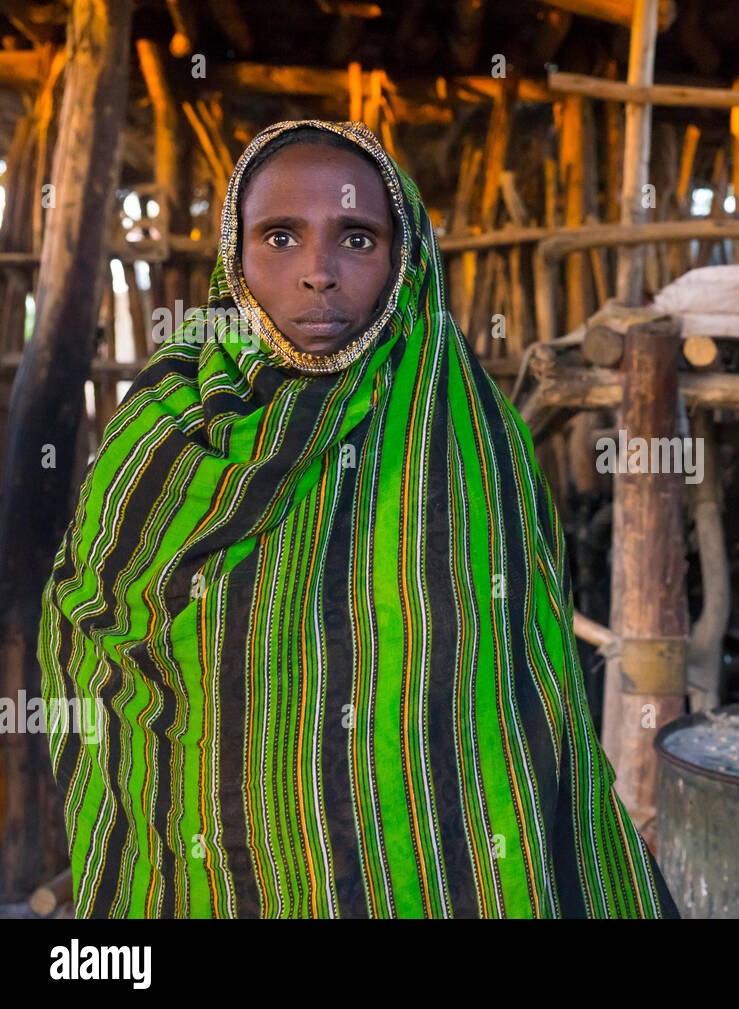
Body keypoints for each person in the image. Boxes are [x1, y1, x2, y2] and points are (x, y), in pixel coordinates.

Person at [38, 119, 679, 919]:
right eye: (279, 236)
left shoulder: (467, 432)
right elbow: (86, 636)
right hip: (214, 861)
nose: (318, 272)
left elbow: (517, 690)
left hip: (444, 875)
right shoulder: (162, 433)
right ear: (235, 256)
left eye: (357, 238)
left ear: (403, 256)